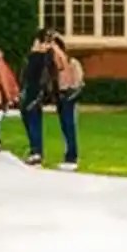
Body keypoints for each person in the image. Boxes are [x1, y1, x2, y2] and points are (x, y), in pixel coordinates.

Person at [48, 32, 83, 171]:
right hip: (60, 96)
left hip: (70, 96)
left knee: (70, 126)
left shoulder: (72, 63)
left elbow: (78, 82)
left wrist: (71, 93)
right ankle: (68, 152)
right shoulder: (53, 68)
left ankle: (72, 155)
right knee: (64, 126)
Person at [19, 30, 54, 166]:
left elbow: (29, 76)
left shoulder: (37, 57)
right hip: (33, 92)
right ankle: (36, 149)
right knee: (33, 121)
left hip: (33, 92)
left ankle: (36, 151)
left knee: (33, 121)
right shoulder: (41, 57)